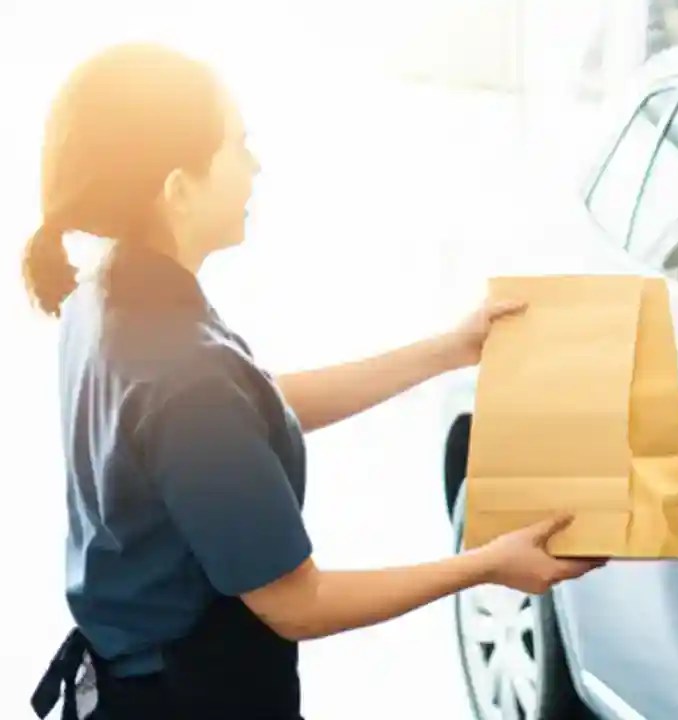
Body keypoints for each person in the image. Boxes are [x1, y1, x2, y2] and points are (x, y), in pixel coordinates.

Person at [26, 44, 603, 720]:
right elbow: (297, 603)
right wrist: (486, 565)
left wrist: (447, 350)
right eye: (237, 146)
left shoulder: (109, 293)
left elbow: (247, 413)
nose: (255, 166)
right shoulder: (186, 375)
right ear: (178, 188)